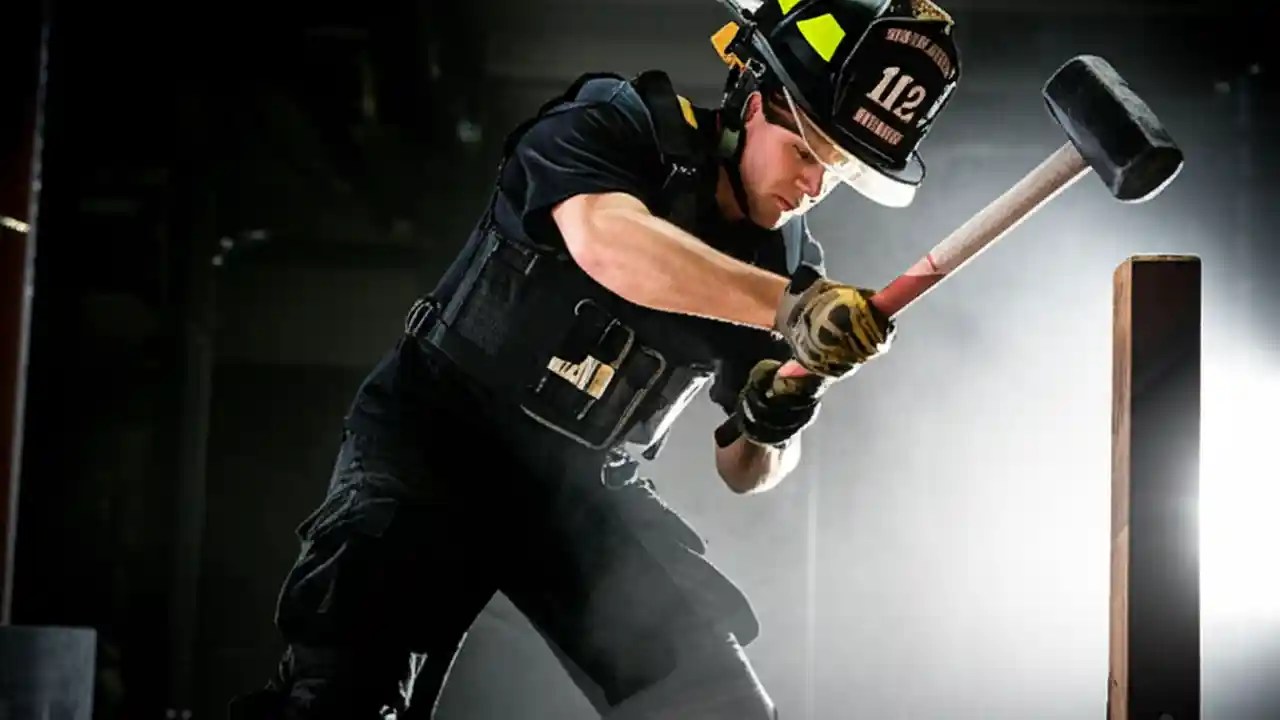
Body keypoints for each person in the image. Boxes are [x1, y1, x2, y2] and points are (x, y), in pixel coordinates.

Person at [229, 0, 961, 717]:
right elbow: (608, 244)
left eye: (835, 169)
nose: (813, 186)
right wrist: (791, 309)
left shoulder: (785, 263)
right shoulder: (617, 124)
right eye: (804, 152)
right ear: (750, 102)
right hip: (441, 434)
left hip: (584, 488)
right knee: (347, 700)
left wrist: (778, 418)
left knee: (715, 708)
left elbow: (744, 471)